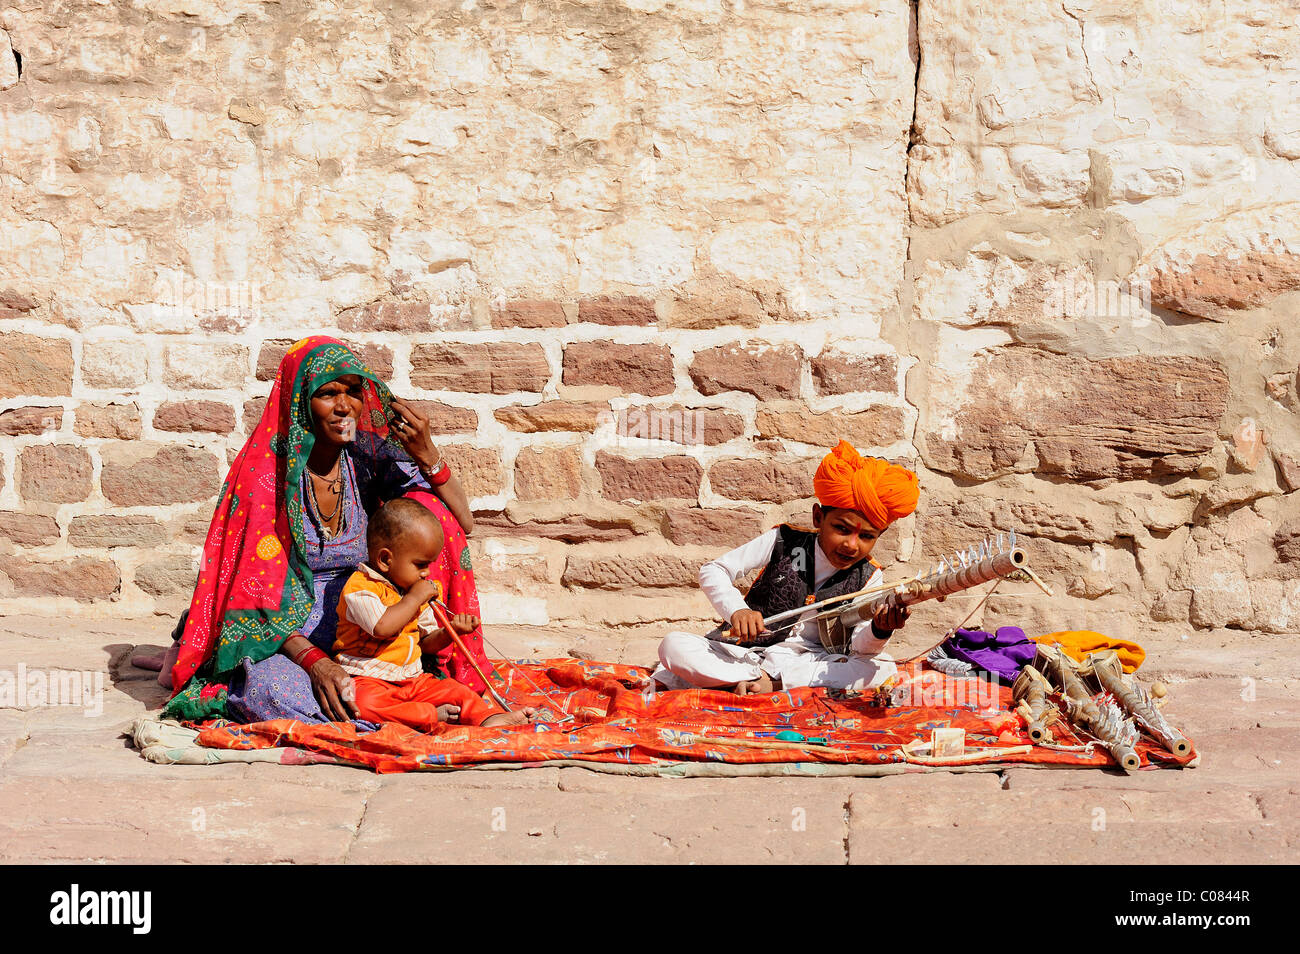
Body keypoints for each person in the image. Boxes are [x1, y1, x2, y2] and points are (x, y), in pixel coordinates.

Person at [159, 336, 496, 722]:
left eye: (353, 392)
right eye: (327, 394)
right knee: (273, 693)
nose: (344, 407)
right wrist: (317, 663)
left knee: (432, 511)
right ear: (299, 401)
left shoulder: (364, 456)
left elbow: (462, 522)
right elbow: (256, 596)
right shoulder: (267, 479)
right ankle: (407, 711)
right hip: (287, 632)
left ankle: (399, 704)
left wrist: (427, 453)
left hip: (367, 622)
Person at [654, 440, 920, 695]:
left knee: (880, 668)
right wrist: (738, 610)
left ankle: (763, 684)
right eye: (842, 529)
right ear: (818, 517)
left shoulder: (871, 576)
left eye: (866, 537)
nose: (852, 545)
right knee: (674, 645)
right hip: (744, 654)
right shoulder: (783, 540)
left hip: (807, 663)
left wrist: (880, 630)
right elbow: (714, 570)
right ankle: (753, 681)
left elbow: (862, 649)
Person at [332, 498, 531, 729]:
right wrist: (415, 598)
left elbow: (425, 643)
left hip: (413, 681)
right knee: (361, 704)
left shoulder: (411, 591)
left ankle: (488, 718)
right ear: (386, 560)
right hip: (367, 679)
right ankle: (429, 715)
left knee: (454, 689)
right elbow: (382, 628)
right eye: (420, 565)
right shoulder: (360, 588)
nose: (427, 573)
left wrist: (450, 631)